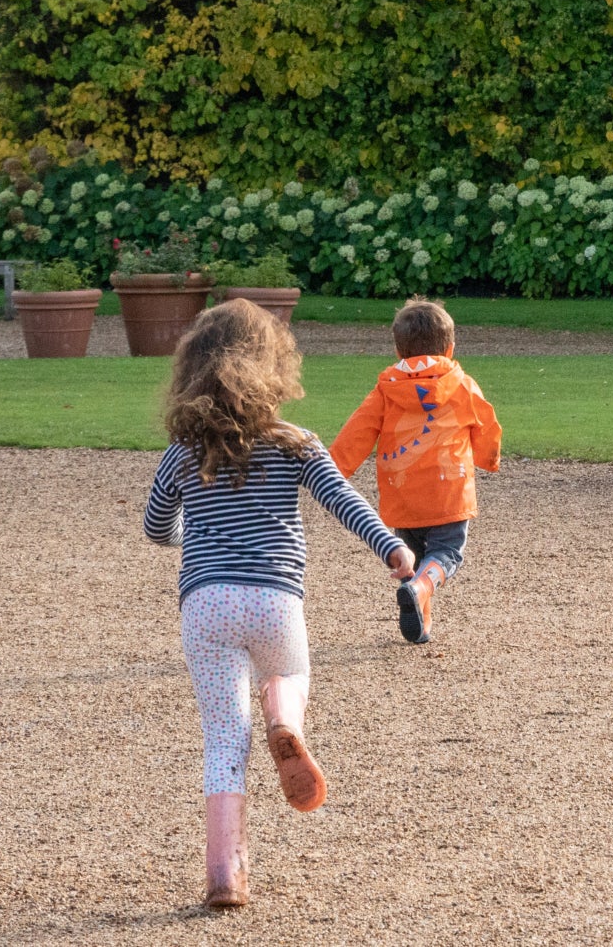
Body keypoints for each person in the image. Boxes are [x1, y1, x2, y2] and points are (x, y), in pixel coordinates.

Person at [143, 301, 411, 910]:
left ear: (193, 370)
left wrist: (193, 538)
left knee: (222, 740)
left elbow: (156, 524)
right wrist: (390, 548)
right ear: (275, 368)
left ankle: (225, 876)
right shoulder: (296, 443)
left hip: (206, 604)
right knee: (287, 672)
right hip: (274, 600)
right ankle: (284, 720)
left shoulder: (183, 450)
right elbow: (344, 502)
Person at [330, 297, 503, 647]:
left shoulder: (386, 390)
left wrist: (333, 471)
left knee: (412, 559)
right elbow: (486, 427)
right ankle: (420, 589)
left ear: (398, 349)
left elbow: (357, 432)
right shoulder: (462, 385)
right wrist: (489, 459)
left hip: (403, 492)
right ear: (450, 347)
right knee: (445, 555)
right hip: (448, 491)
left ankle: (420, 620)